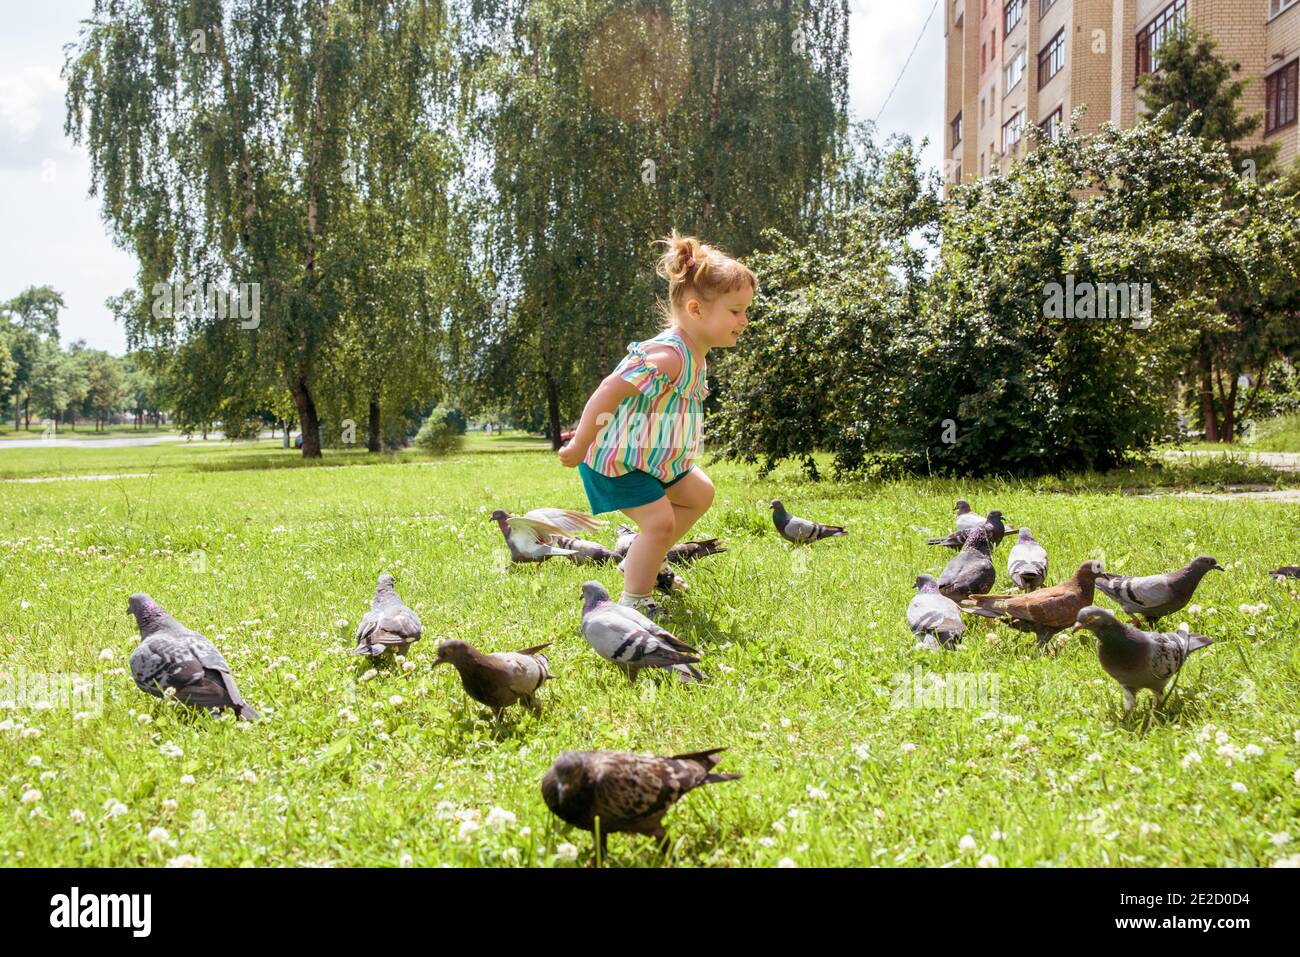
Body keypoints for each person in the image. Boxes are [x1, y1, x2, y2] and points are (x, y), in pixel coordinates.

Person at [557, 231, 756, 618]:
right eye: (735, 311)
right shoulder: (668, 355)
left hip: (655, 461)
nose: (744, 320)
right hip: (618, 461)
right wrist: (581, 444)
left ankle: (643, 558)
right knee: (660, 522)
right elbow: (608, 391)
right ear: (696, 310)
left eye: (746, 310)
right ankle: (636, 602)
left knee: (699, 493)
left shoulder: (696, 353)